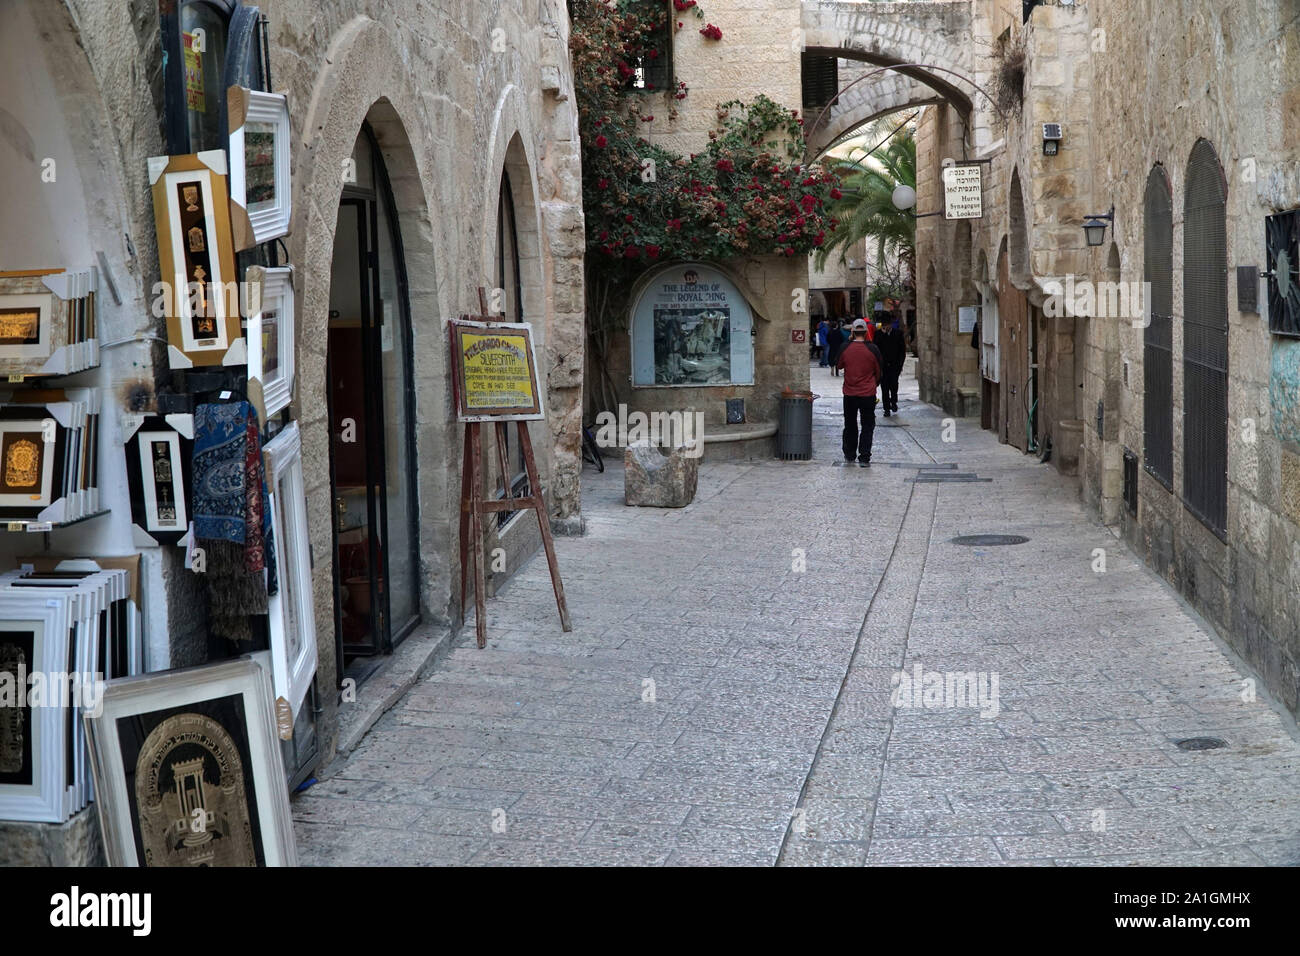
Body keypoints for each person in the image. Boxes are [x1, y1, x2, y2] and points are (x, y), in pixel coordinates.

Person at [836, 318, 883, 465]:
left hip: (850, 393)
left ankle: (850, 454)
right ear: (866, 331)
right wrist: (873, 384)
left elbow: (838, 365)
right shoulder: (873, 349)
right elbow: (879, 371)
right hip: (868, 393)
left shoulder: (845, 347)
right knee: (868, 425)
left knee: (850, 424)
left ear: (853, 331)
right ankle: (864, 456)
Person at [875, 312, 906, 417]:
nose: (886, 326)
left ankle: (894, 401)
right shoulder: (878, 334)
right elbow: (876, 348)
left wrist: (900, 365)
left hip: (894, 366)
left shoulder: (898, 334)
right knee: (884, 388)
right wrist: (883, 335)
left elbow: (902, 351)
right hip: (883, 367)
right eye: (884, 324)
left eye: (887, 324)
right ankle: (886, 408)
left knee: (893, 385)